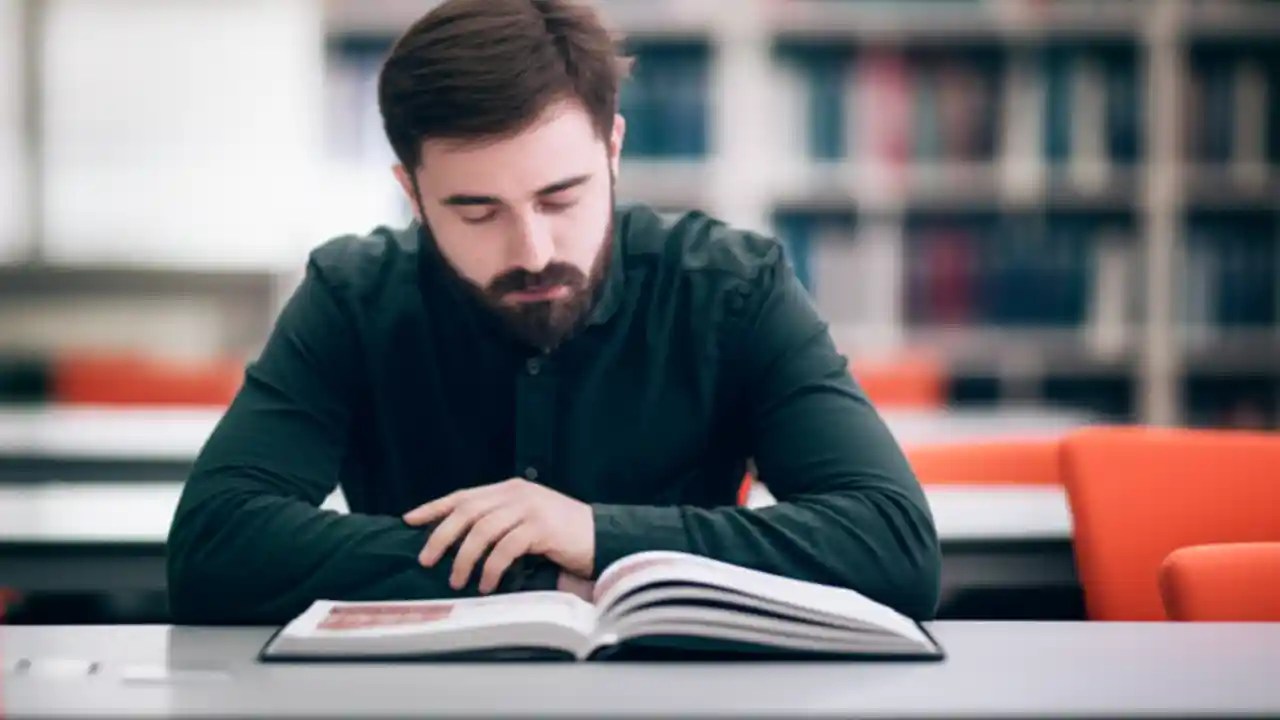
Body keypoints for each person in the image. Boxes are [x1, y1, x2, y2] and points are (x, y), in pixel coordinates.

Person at [166, 0, 940, 625]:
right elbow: (215, 547)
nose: (532, 249)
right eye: (476, 212)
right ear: (412, 192)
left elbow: (892, 544)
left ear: (613, 150)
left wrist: (596, 535)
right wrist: (540, 575)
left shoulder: (732, 287)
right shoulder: (353, 294)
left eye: (560, 197)